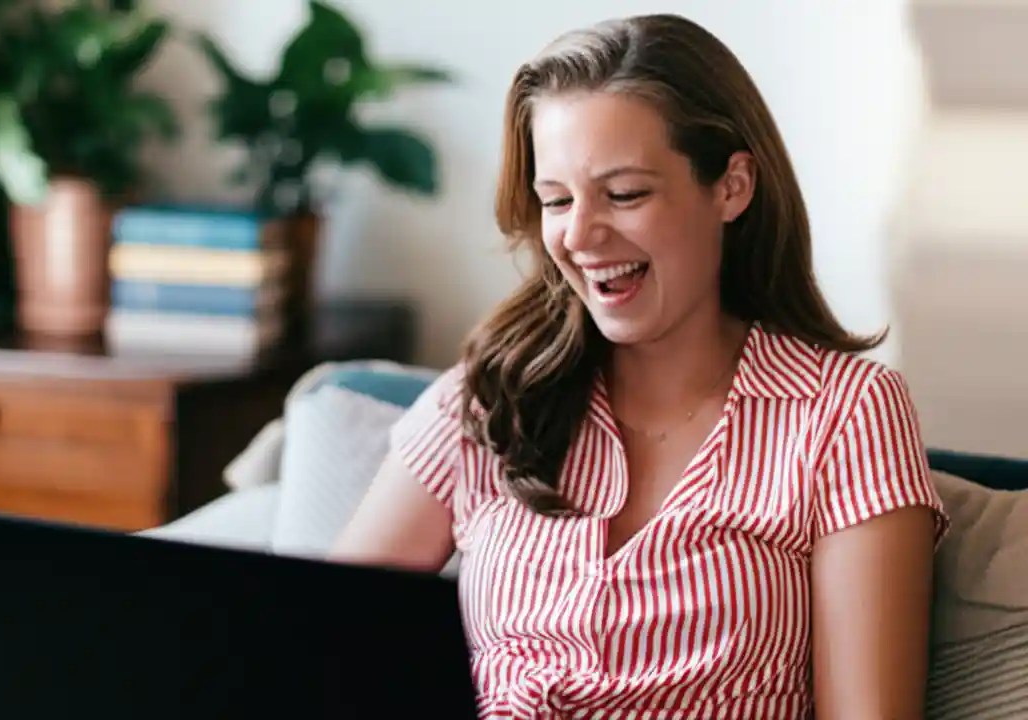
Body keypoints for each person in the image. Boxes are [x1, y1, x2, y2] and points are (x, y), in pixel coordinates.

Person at [330, 13, 949, 720]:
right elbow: (312, 646)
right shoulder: (489, 397)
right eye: (557, 200)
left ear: (732, 187)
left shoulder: (847, 413)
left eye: (625, 194)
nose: (580, 235)